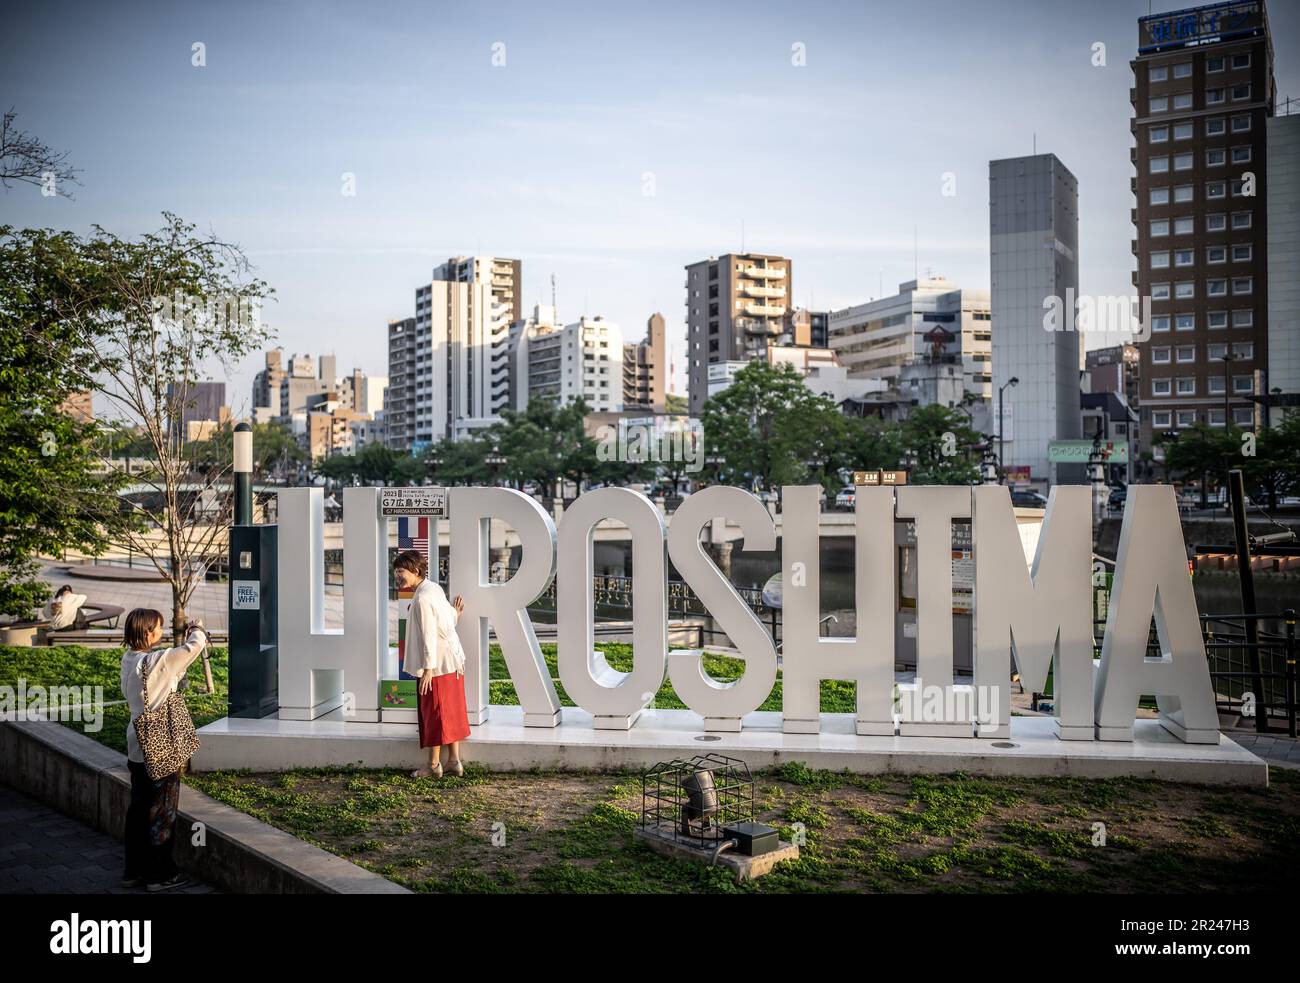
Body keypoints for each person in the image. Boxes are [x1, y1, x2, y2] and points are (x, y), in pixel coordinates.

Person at [119, 608, 207, 891]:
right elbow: (194, 647)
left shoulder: (128, 659)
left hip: (137, 744)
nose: (162, 631)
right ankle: (160, 875)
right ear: (147, 632)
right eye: (158, 627)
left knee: (138, 809)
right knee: (163, 811)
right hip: (161, 746)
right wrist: (197, 629)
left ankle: (133, 871)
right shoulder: (160, 660)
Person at [393, 549, 469, 779]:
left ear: (415, 570)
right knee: (451, 711)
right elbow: (445, 622)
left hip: (436, 666)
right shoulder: (433, 588)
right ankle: (454, 761)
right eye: (395, 571)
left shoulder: (423, 598)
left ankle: (433, 765)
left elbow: (428, 636)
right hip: (453, 662)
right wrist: (456, 614)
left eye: (400, 571)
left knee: (434, 713)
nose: (397, 576)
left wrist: (427, 670)